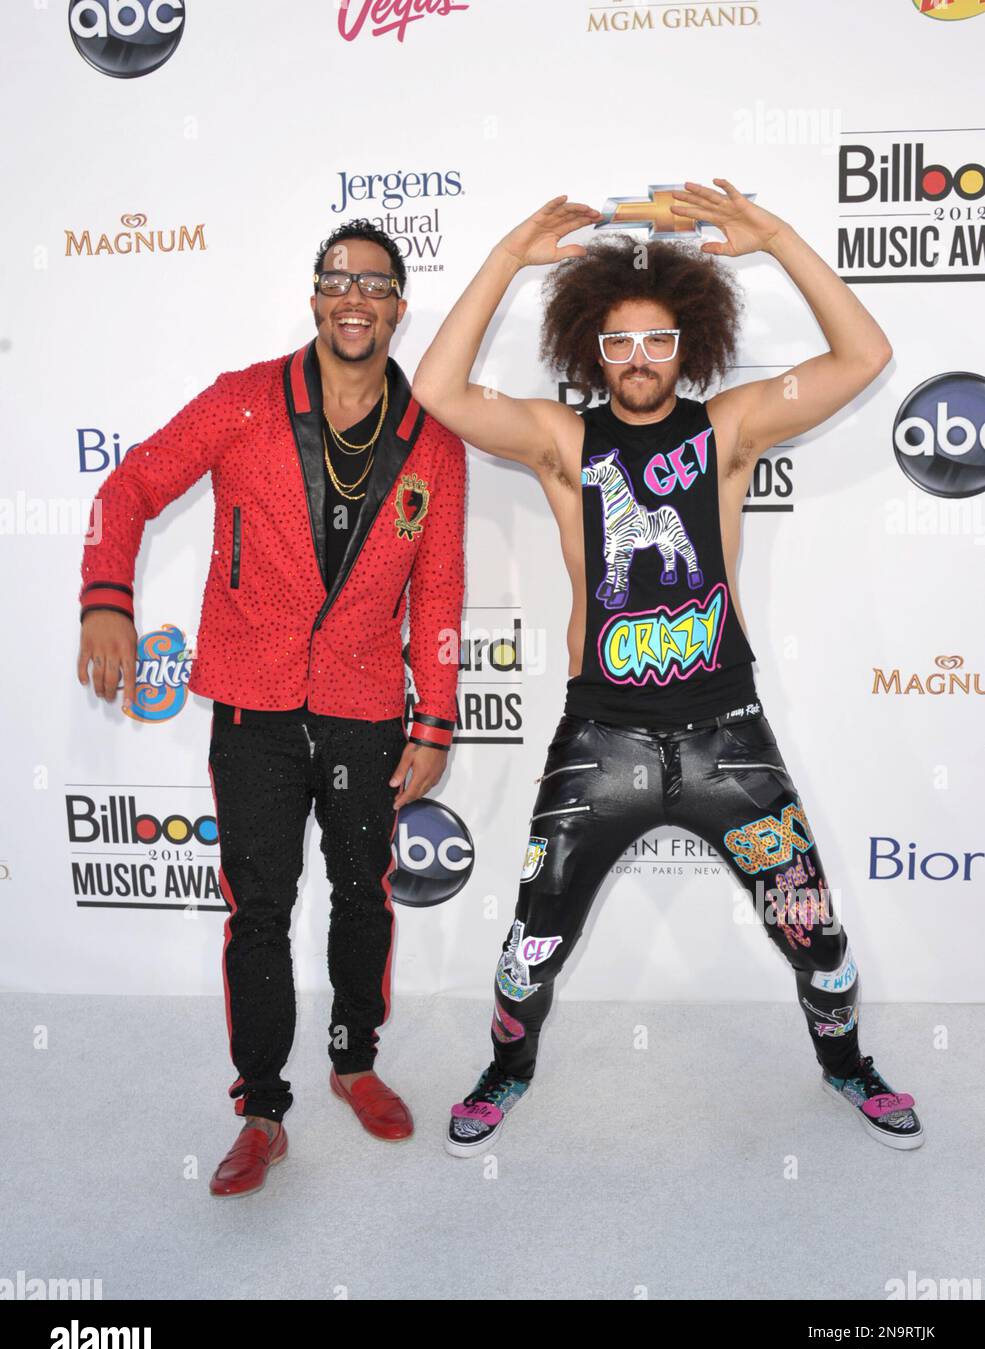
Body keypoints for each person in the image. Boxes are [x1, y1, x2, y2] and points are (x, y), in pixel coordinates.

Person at [412, 186, 923, 1157]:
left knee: (814, 935)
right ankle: (508, 1069)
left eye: (656, 342)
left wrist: (775, 236)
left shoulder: (726, 432)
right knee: (532, 944)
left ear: (686, 343)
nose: (638, 361)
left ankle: (846, 1064)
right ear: (586, 350)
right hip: (598, 739)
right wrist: (511, 254)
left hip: (728, 734)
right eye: (617, 344)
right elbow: (438, 391)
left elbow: (865, 358)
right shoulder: (564, 444)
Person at [77, 220, 466, 1196]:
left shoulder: (435, 443)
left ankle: (353, 1059)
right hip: (252, 704)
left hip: (367, 706)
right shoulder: (243, 402)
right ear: (313, 295)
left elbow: (442, 594)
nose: (354, 296)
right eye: (338, 278)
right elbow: (129, 487)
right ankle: (260, 1105)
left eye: (374, 283)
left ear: (397, 307)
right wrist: (107, 600)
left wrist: (437, 716)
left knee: (360, 895)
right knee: (259, 908)